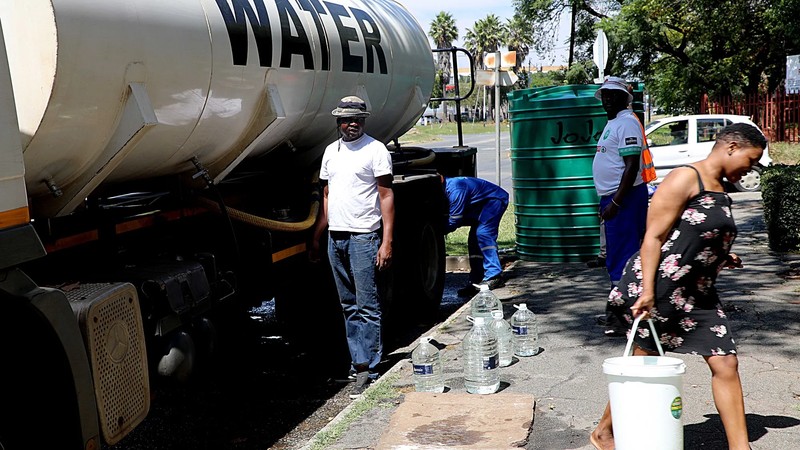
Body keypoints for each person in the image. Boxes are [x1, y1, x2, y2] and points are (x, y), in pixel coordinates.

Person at [590, 122, 767, 450]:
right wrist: (647, 292)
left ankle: (740, 447)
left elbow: (696, 231)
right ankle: (604, 432)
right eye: (750, 159)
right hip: (661, 285)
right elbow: (653, 237)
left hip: (698, 291)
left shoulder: (718, 185)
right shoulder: (685, 177)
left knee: (725, 361)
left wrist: (721, 255)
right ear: (732, 147)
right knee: (643, 360)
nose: (750, 168)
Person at [310, 96, 395, 399]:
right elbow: (327, 195)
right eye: (346, 120)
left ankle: (368, 369)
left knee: (367, 306)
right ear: (338, 123)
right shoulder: (330, 152)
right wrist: (318, 235)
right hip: (337, 237)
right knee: (348, 305)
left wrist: (386, 241)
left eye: (357, 119)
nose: (352, 124)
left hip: (364, 237)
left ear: (364, 120)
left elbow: (386, 196)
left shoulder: (375, 150)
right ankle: (358, 362)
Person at [592, 76, 653, 336]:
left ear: (623, 98)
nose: (607, 99)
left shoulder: (627, 123)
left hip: (625, 199)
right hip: (614, 198)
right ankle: (618, 312)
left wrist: (616, 202)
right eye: (604, 94)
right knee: (617, 256)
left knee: (623, 257)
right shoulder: (615, 122)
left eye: (612, 95)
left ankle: (622, 316)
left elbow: (630, 167)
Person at [441, 176, 509, 297]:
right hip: (480, 205)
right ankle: (476, 280)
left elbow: (454, 219)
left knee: (484, 234)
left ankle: (494, 276)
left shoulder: (456, 190)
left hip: (494, 200)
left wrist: (438, 232)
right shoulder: (448, 188)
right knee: (474, 241)